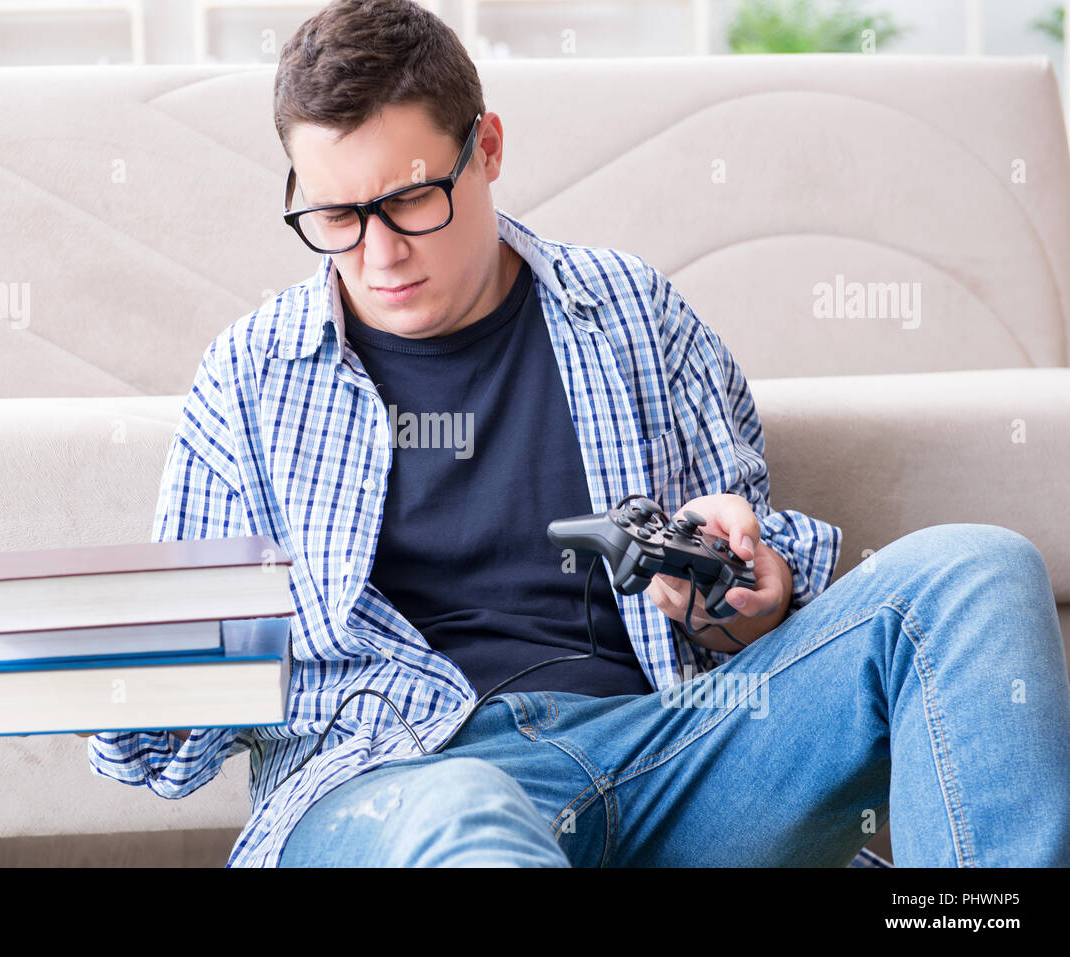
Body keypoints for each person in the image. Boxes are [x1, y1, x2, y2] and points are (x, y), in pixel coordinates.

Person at [82, 0, 1070, 867]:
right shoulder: (251, 380)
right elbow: (165, 749)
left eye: (411, 200)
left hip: (663, 754)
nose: (376, 255)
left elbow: (732, 623)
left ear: (489, 149)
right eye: (337, 217)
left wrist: (742, 599)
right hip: (397, 779)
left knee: (975, 569)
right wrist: (121, 679)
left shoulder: (633, 314)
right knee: (467, 816)